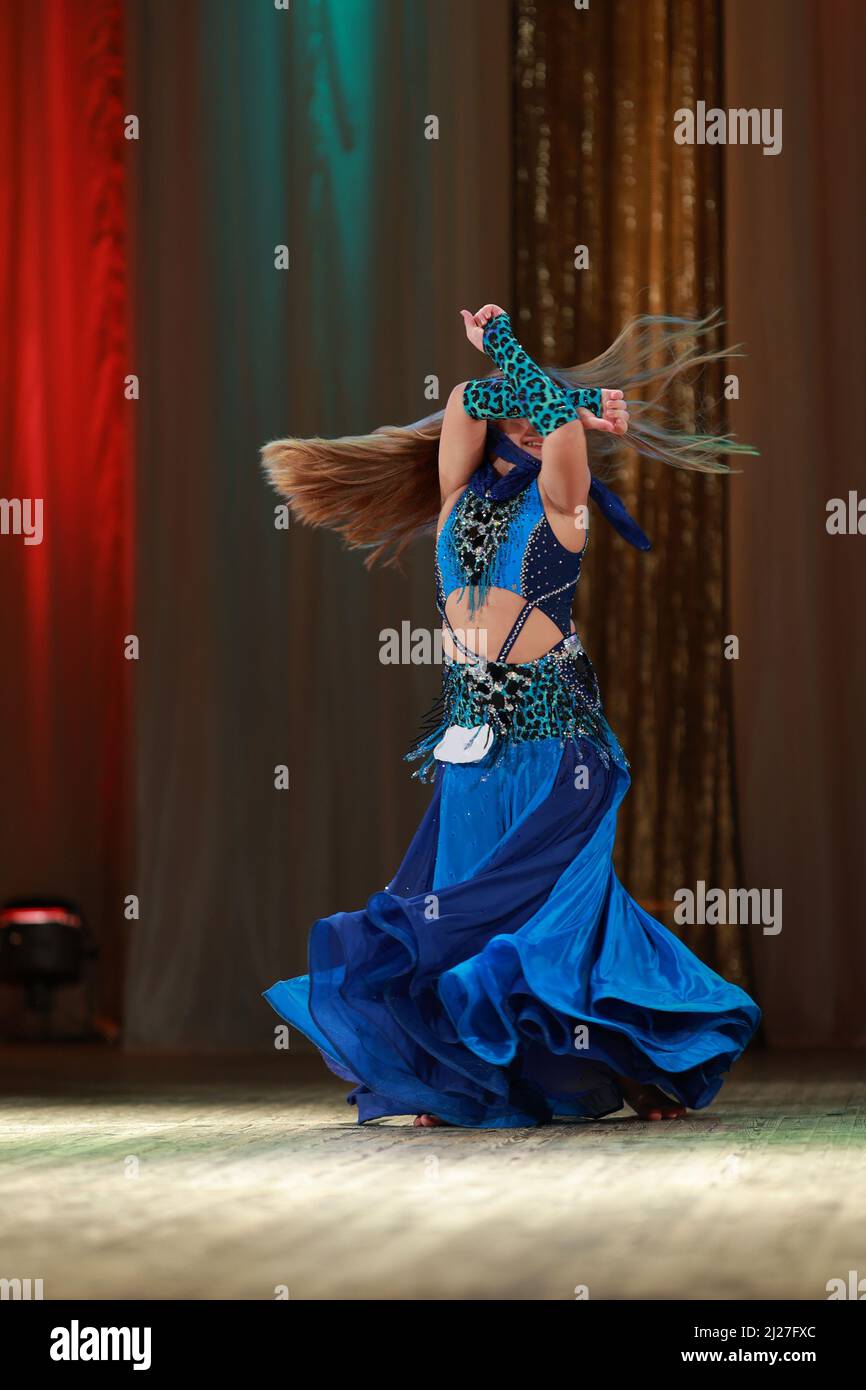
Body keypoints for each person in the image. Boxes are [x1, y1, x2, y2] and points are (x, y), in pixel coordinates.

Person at [261, 303, 761, 1128]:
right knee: (457, 909)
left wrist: (513, 351)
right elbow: (463, 399)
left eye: (546, 424)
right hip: (473, 747)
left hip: (558, 749)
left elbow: (554, 415)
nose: (532, 428)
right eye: (520, 421)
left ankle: (634, 1063)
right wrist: (506, 377)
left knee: (555, 920)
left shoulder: (566, 507)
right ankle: (462, 1079)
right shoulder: (457, 495)